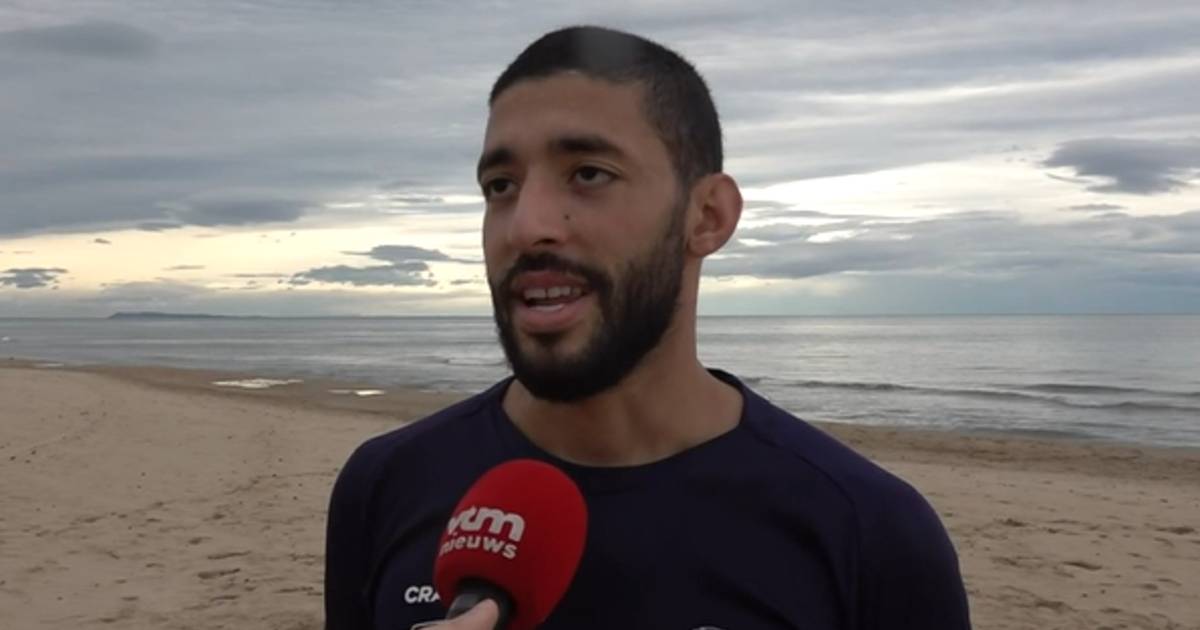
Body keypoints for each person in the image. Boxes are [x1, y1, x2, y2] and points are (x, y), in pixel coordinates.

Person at [325, 25, 971, 630]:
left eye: (588, 174)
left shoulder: (870, 532)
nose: (526, 225)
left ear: (708, 216)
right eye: (500, 185)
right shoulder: (384, 486)